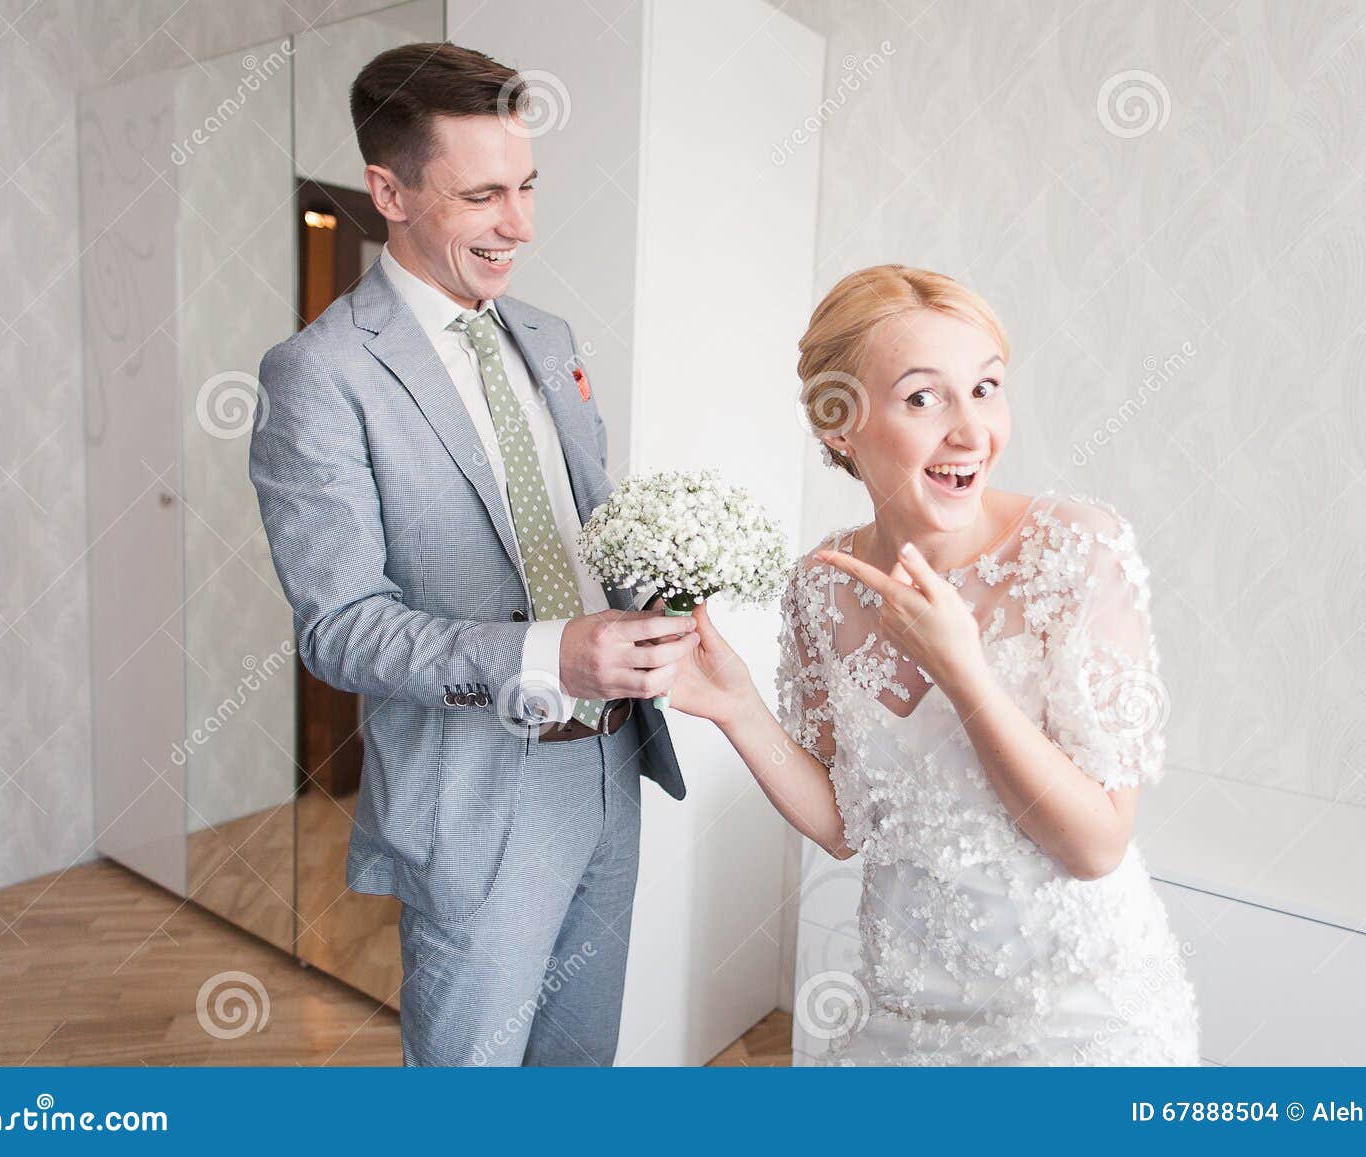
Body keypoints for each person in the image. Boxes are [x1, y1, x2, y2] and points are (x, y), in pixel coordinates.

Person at [248, 42, 698, 1066]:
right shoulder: (319, 375)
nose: (521, 224)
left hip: (613, 764)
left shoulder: (548, 333)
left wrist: (663, 594)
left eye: (528, 186)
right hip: (477, 799)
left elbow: (581, 531)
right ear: (388, 191)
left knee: (578, 1072)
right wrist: (550, 657)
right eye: (484, 194)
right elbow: (341, 628)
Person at [668, 264, 1201, 1065]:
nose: (970, 432)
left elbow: (1096, 848)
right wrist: (739, 707)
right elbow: (848, 826)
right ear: (838, 424)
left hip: (1077, 1019)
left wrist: (965, 674)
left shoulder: (1075, 551)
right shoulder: (822, 585)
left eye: (986, 388)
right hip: (903, 1018)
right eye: (924, 398)